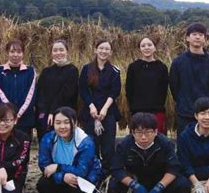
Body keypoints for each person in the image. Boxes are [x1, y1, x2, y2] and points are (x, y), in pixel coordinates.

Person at [108, 112, 191, 193]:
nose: (143, 137)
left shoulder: (165, 144)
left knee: (183, 185)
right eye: (139, 132)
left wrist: (159, 187)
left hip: (160, 179)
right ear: (132, 132)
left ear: (156, 132)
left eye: (148, 132)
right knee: (113, 187)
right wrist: (134, 185)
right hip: (135, 180)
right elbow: (116, 169)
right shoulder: (124, 145)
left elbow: (174, 168)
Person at [37, 106, 104, 193]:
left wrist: (59, 167)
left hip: (84, 177)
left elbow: (82, 171)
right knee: (43, 184)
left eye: (66, 122)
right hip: (62, 176)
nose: (62, 126)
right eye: (58, 123)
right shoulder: (48, 139)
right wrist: (62, 176)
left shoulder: (86, 142)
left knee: (79, 186)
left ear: (75, 123)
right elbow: (44, 165)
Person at [169, 23, 209, 136]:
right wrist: (182, 102)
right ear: (187, 38)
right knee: (184, 143)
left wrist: (206, 108)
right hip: (184, 112)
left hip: (205, 114)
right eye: (194, 34)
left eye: (201, 35)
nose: (198, 37)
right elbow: (174, 87)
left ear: (205, 39)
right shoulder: (178, 62)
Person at [78, 39, 121, 170]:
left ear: (111, 52)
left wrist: (105, 109)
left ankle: (107, 172)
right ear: (95, 50)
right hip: (90, 112)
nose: (104, 51)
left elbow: (115, 92)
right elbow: (83, 90)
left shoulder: (115, 71)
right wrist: (91, 106)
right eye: (101, 48)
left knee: (108, 146)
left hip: (108, 112)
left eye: (107, 49)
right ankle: (93, 173)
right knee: (92, 145)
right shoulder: (86, 69)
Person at [0, 39, 37, 139]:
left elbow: (31, 95)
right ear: (7, 52)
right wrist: (9, 114)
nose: (15, 55)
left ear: (23, 53)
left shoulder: (30, 71)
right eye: (12, 51)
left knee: (23, 147)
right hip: (4, 119)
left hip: (25, 119)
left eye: (19, 52)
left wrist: (19, 114)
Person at [35, 39, 79, 141]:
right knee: (46, 143)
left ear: (67, 51)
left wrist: (53, 112)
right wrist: (43, 112)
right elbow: (40, 93)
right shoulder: (46, 71)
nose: (58, 53)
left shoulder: (72, 70)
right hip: (45, 116)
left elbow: (67, 94)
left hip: (65, 114)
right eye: (55, 50)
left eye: (61, 50)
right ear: (51, 53)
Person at [125, 37, 169, 134]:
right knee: (139, 138)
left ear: (155, 48)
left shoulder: (162, 67)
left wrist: (158, 105)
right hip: (137, 112)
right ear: (139, 49)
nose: (146, 47)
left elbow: (164, 90)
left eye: (149, 45)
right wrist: (133, 108)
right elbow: (129, 90)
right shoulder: (133, 67)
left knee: (157, 138)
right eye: (143, 46)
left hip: (157, 111)